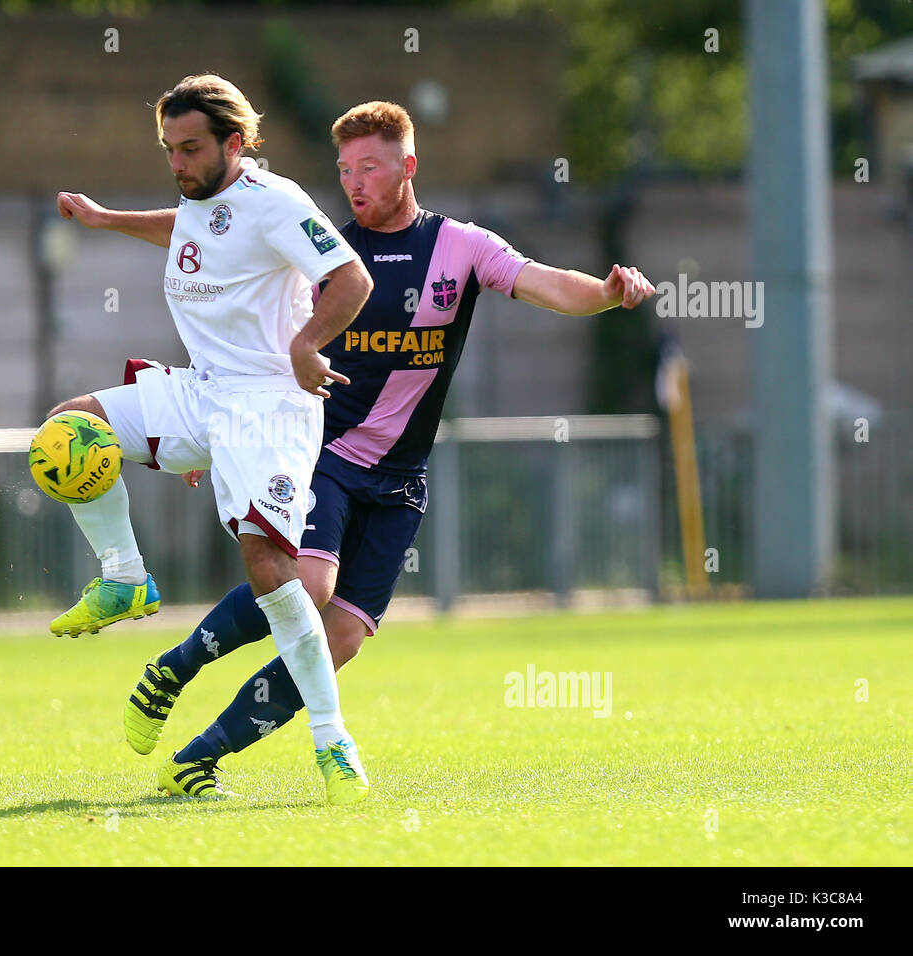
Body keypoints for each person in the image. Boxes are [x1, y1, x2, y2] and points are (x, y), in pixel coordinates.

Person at [66, 101, 656, 798]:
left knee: (341, 639)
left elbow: (542, 281)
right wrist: (219, 433)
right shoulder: (324, 252)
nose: (354, 182)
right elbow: (205, 243)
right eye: (345, 169)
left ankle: (199, 755)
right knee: (306, 589)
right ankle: (180, 665)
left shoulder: (460, 247)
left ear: (408, 167)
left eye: (368, 167)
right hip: (325, 454)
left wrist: (607, 294)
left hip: (402, 479)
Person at [53, 73, 374, 804]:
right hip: (203, 391)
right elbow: (189, 226)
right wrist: (105, 220)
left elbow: (349, 279)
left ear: (236, 143)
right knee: (69, 431)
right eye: (169, 148)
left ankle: (333, 743)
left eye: (190, 148)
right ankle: (126, 576)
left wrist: (308, 342)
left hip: (268, 403)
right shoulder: (204, 199)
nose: (177, 163)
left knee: (269, 566)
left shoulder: (277, 202)